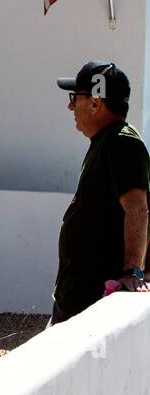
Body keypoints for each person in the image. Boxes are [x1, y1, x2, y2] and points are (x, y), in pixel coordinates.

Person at [52, 61, 149, 325]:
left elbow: (138, 209)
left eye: (76, 97)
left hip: (92, 302)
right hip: (77, 298)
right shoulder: (106, 141)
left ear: (95, 103)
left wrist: (132, 271)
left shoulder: (121, 141)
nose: (71, 106)